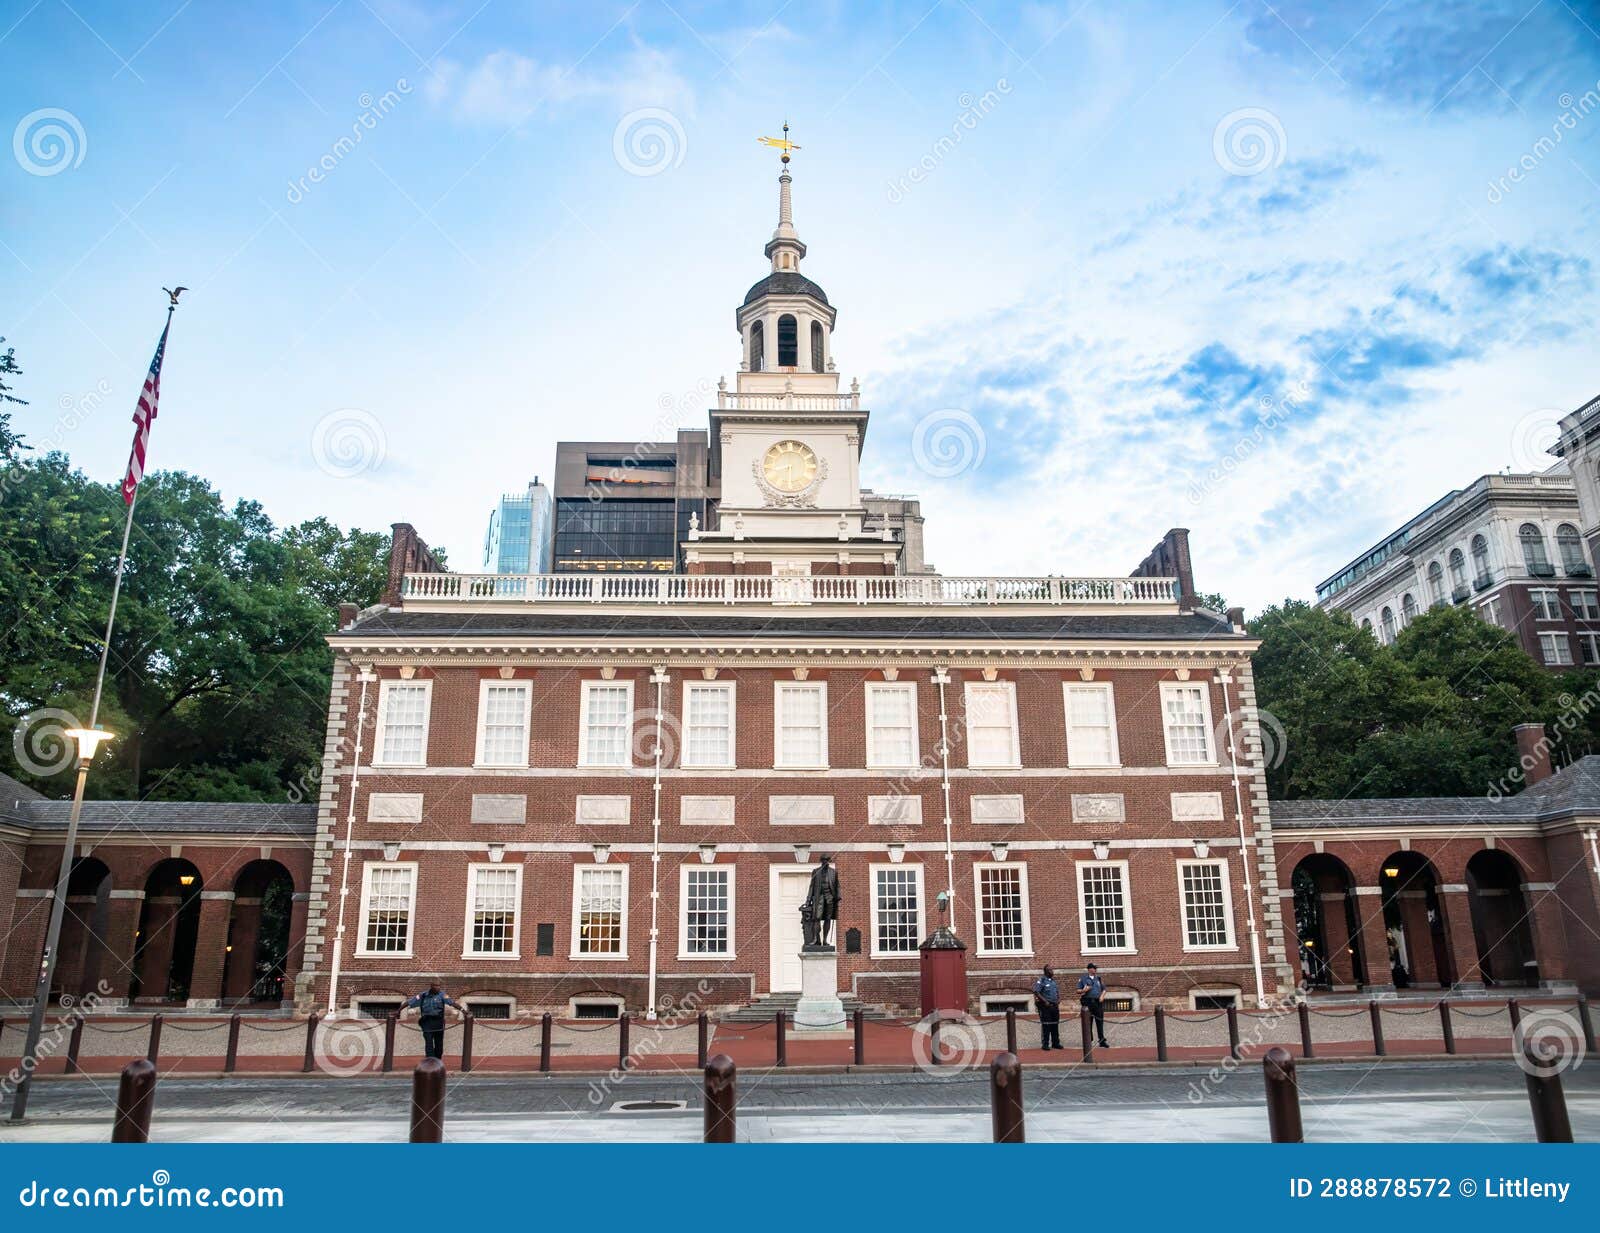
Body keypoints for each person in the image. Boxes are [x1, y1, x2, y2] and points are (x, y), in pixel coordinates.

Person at [401, 982, 463, 1061]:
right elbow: (409, 1002)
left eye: (439, 986)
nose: (438, 988)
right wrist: (398, 1010)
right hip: (427, 1021)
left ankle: (437, 1060)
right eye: (436, 986)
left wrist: (463, 1010)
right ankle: (430, 1061)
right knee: (429, 1043)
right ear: (431, 986)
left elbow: (452, 1003)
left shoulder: (442, 995)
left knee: (439, 1045)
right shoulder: (423, 995)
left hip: (438, 1022)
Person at [1077, 962, 1109, 1049]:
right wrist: (1084, 990)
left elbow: (1104, 989)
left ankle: (1102, 1041)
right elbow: (1078, 990)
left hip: (1098, 1003)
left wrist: (1102, 995)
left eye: (1095, 968)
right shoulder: (1083, 979)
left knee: (1100, 1022)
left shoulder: (1098, 978)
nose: (1095, 970)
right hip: (1088, 1002)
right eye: (1094, 968)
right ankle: (1089, 1041)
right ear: (1089, 969)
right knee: (1088, 1022)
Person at [1031, 965, 1062, 1050]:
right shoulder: (1041, 981)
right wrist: (1045, 1001)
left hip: (1055, 1006)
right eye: (1050, 970)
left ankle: (1056, 1043)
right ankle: (1045, 1044)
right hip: (1046, 1007)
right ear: (1046, 971)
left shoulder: (1053, 981)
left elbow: (1057, 991)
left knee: (1055, 1025)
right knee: (1046, 1025)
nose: (1052, 971)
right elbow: (1036, 991)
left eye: (1052, 969)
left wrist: (1059, 998)